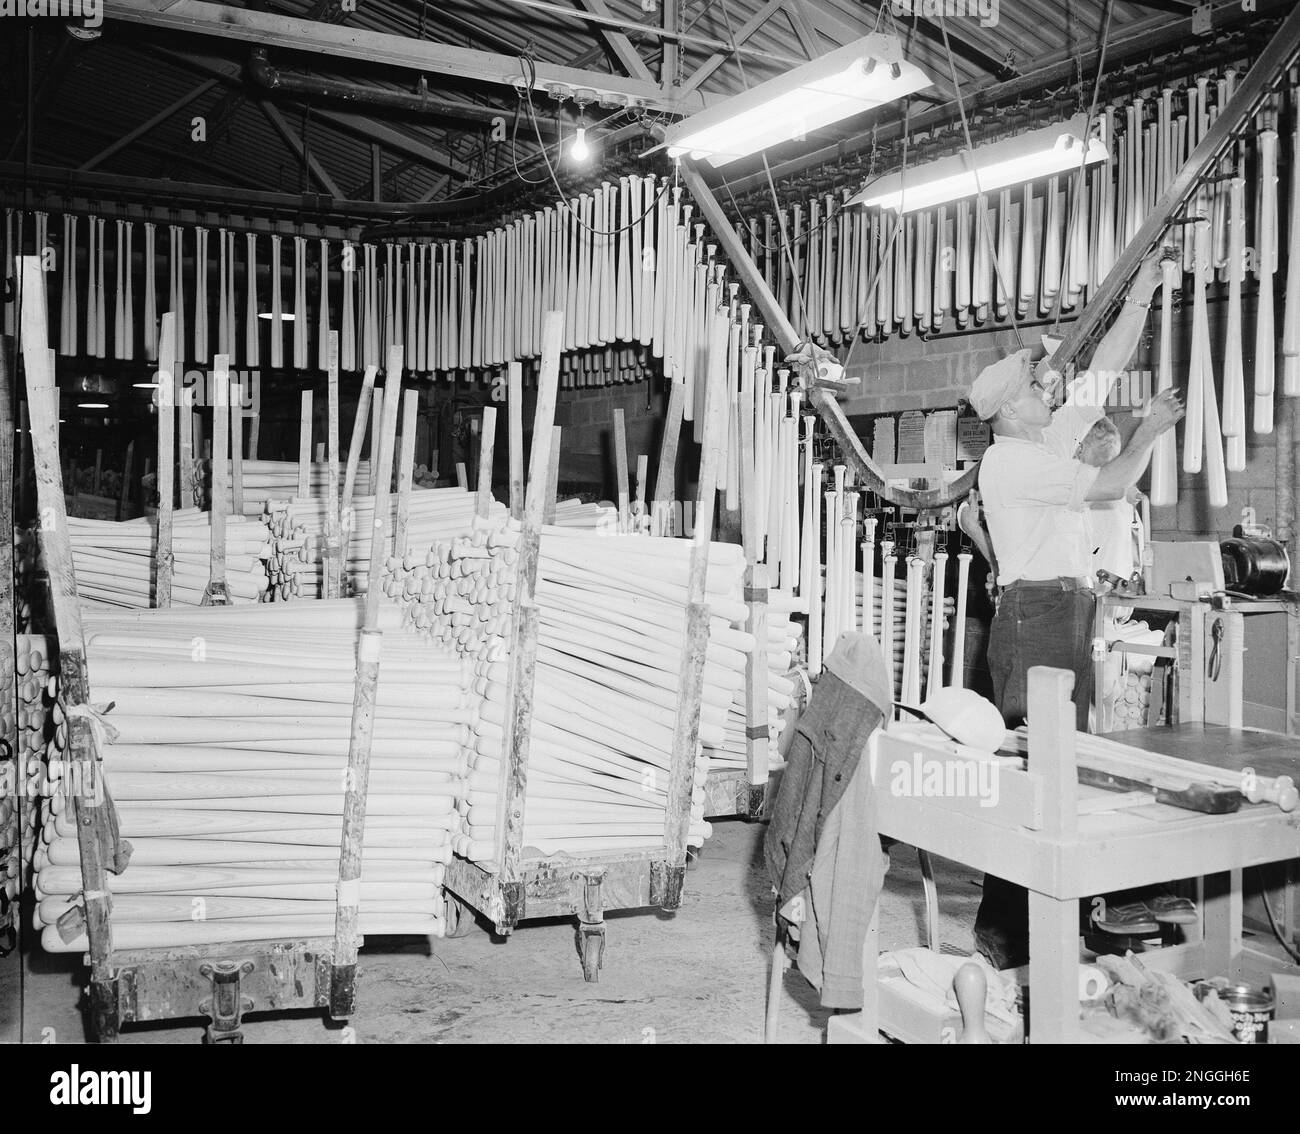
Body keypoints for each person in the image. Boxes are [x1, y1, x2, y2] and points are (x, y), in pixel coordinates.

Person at [964, 250, 1185, 969]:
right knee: (1040, 777)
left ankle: (1050, 926)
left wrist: (1142, 296)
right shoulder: (1014, 461)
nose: (1048, 383)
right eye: (1036, 381)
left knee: (1062, 772)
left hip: (1060, 613)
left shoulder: (1040, 438)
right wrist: (1151, 428)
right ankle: (1008, 938)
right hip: (1034, 620)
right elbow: (1115, 484)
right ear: (1011, 408)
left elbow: (1101, 378)